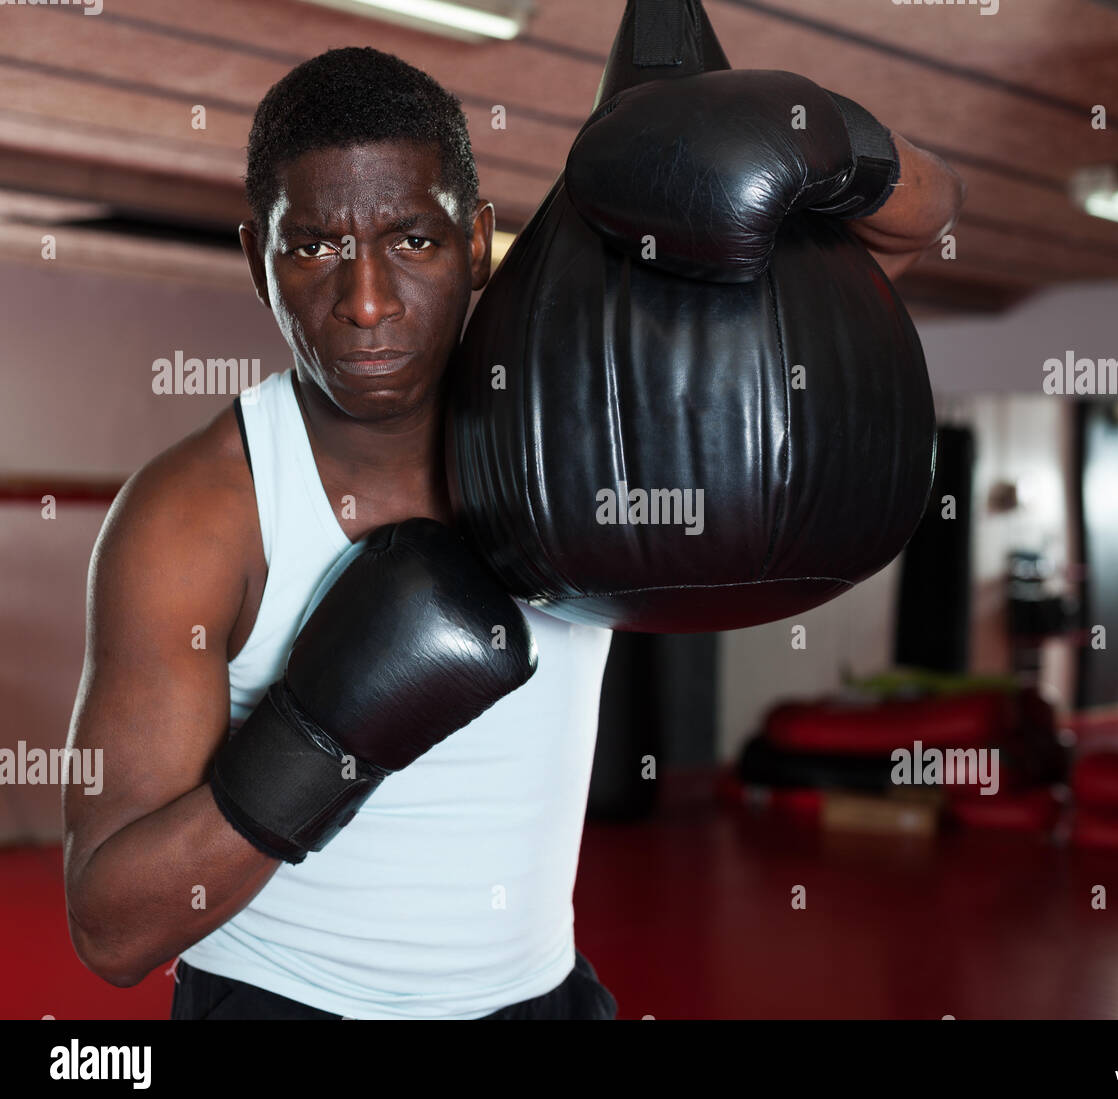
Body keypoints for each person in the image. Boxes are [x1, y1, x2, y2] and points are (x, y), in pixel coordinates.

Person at [61, 45, 963, 1020]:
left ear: (479, 240)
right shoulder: (201, 513)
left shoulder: (585, 407)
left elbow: (917, 214)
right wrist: (322, 741)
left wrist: (806, 125)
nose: (365, 302)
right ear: (256, 260)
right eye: (314, 246)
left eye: (412, 240)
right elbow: (113, 927)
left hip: (541, 998)